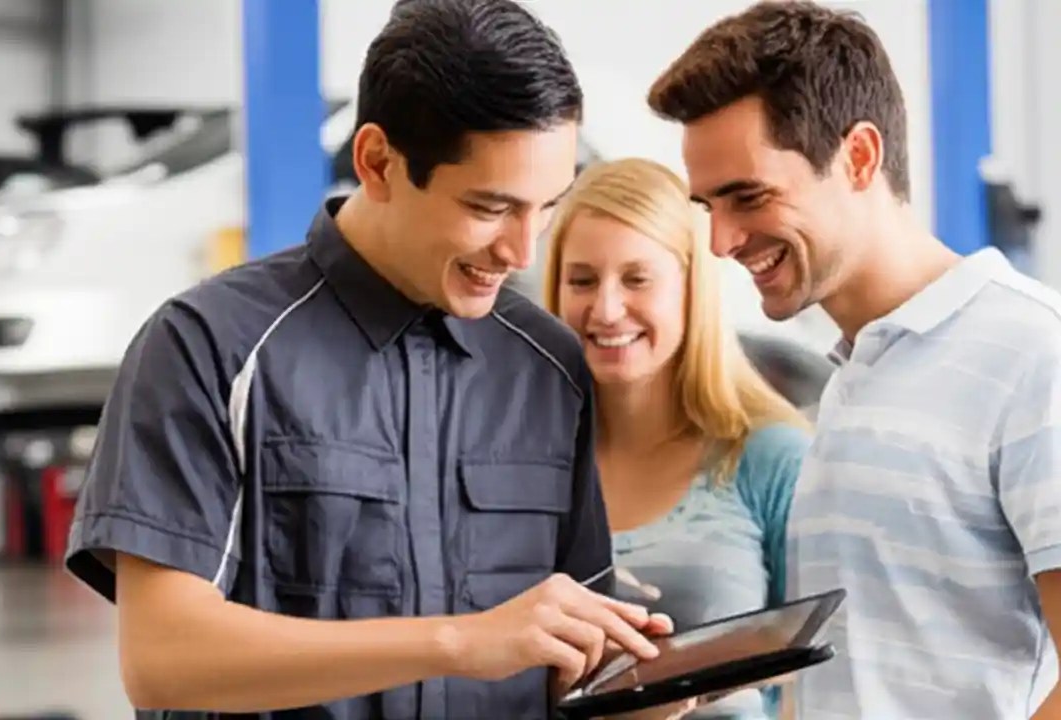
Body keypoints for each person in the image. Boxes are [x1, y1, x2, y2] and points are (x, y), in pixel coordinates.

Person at [63, 1, 674, 718]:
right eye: (489, 207)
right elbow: (164, 659)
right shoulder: (208, 347)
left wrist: (629, 691)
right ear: (378, 162)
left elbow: (567, 657)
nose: (522, 252)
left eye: (545, 208)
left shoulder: (548, 365)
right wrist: (456, 641)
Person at [646, 2, 1061, 718]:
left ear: (860, 157)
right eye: (708, 205)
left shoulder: (1033, 354)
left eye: (748, 197)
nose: (720, 241)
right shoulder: (855, 373)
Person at [541, 157, 811, 720]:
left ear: (692, 289)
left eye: (637, 278)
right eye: (583, 280)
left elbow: (823, 677)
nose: (607, 308)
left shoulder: (772, 458)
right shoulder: (521, 464)